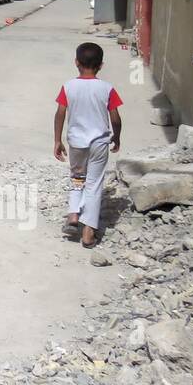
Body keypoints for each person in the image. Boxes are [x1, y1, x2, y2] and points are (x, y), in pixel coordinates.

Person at [53, 41, 122, 247]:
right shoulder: (107, 89)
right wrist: (117, 136)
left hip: (76, 142)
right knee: (94, 184)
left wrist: (57, 139)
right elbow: (116, 118)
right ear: (101, 65)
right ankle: (88, 232)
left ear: (76, 62)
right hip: (99, 142)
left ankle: (73, 215)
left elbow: (60, 114)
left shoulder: (68, 87)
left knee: (77, 177)